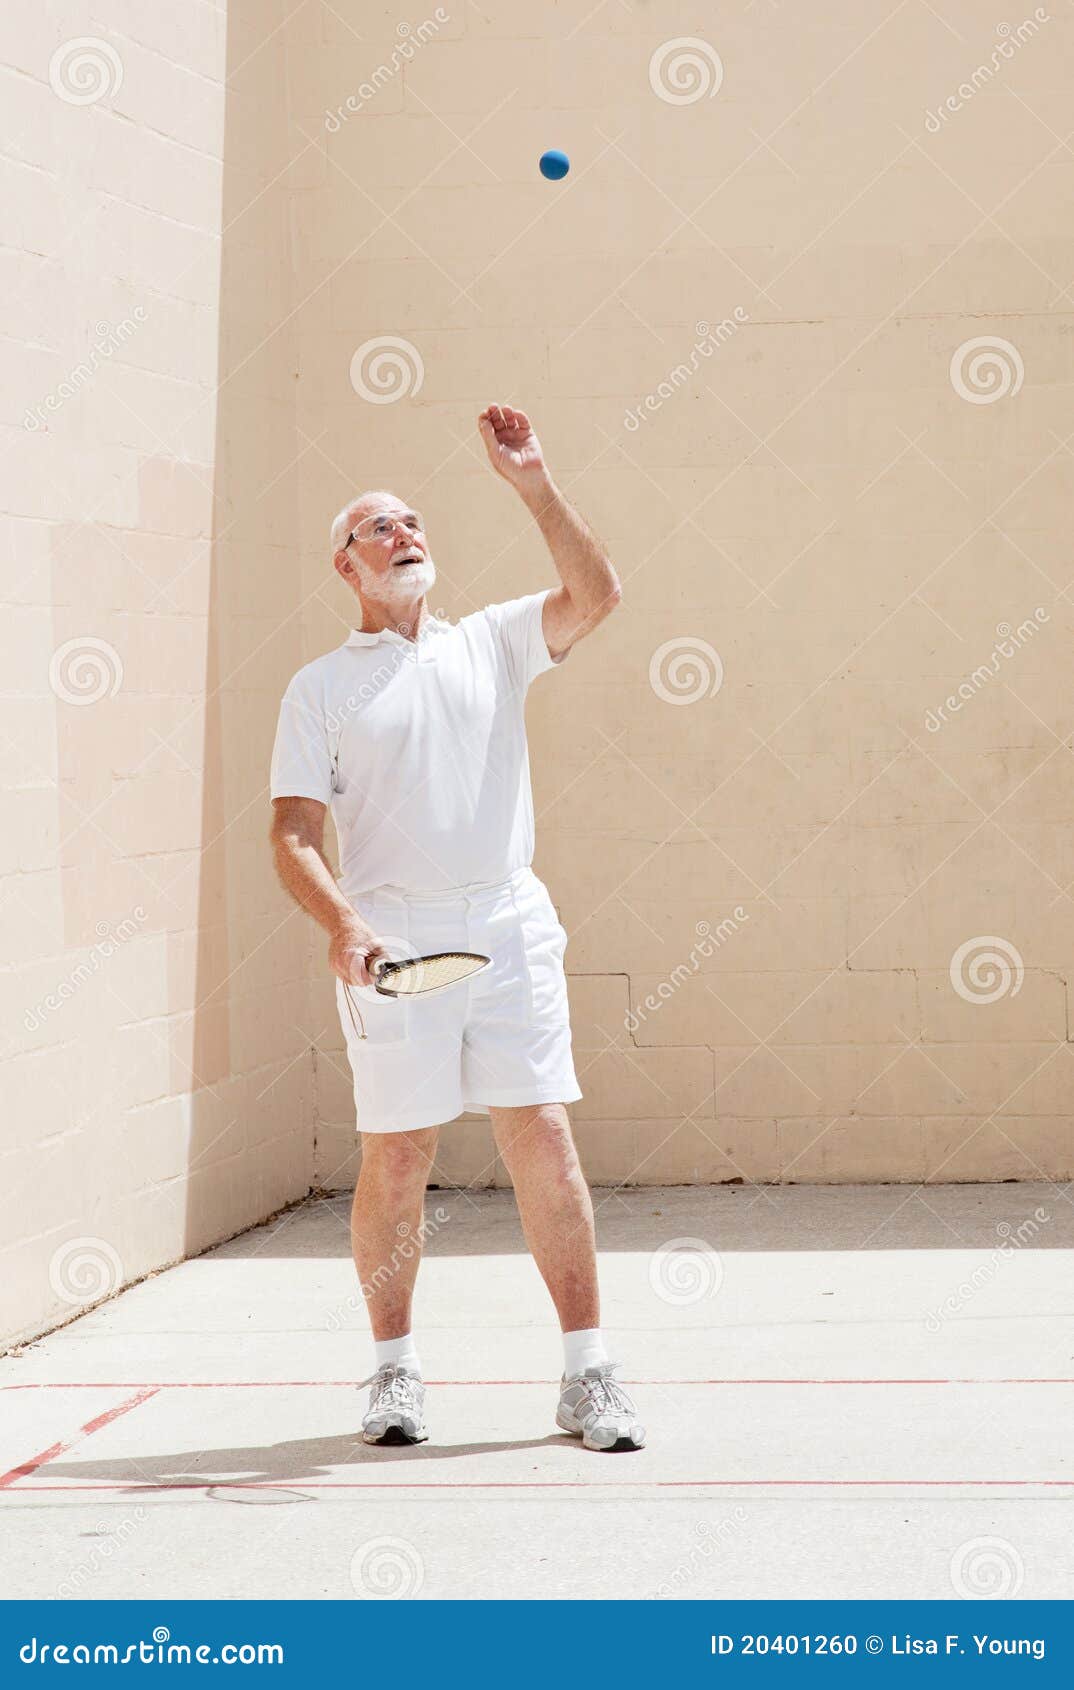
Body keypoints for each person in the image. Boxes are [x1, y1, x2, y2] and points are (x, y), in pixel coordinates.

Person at [269, 403, 645, 1453]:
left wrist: (532, 481)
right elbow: (293, 832)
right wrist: (341, 921)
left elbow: (599, 593)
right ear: (345, 565)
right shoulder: (321, 689)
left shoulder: (493, 640)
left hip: (510, 921)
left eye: (415, 521)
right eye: (378, 527)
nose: (405, 534)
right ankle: (393, 1374)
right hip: (393, 939)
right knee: (398, 1152)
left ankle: (588, 1374)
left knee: (545, 1134)